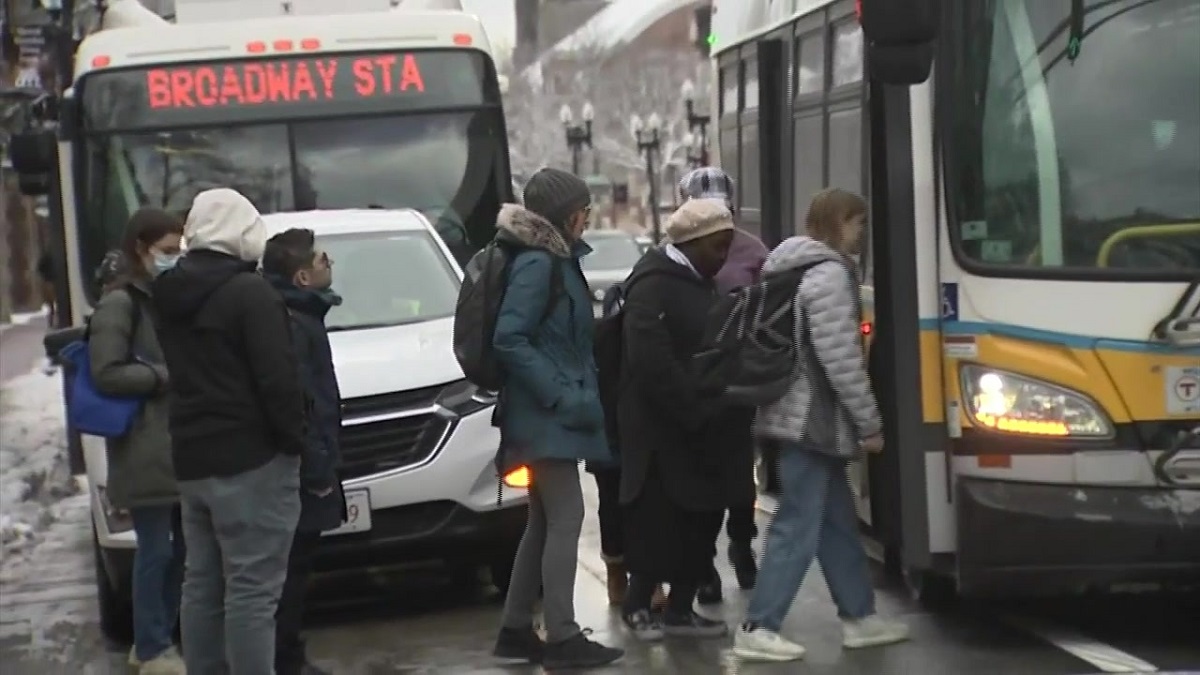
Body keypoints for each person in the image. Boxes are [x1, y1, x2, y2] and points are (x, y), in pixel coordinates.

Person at [734, 188, 909, 663]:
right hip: (812, 419)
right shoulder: (829, 275)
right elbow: (841, 360)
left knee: (835, 524)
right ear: (837, 224)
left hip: (797, 415)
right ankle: (759, 625)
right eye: (857, 222)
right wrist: (869, 421)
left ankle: (860, 617)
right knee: (797, 525)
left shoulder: (790, 265)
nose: (862, 232)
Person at [153, 188, 308, 674]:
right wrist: (295, 443)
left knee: (202, 585)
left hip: (193, 458)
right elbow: (277, 380)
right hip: (252, 459)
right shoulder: (250, 293)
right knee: (252, 591)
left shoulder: (168, 292)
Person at [490, 167, 624, 670]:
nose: (589, 217)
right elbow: (509, 338)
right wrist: (561, 395)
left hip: (546, 413)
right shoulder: (539, 265)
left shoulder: (554, 260)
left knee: (544, 522)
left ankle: (516, 630)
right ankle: (563, 636)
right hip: (545, 415)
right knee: (566, 517)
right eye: (585, 209)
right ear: (570, 215)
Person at [617, 198, 745, 641]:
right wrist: (692, 409)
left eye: (729, 246)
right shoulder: (651, 285)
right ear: (689, 244)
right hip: (660, 430)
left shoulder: (699, 281)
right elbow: (651, 362)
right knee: (659, 525)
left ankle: (681, 610)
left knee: (702, 519)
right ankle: (637, 606)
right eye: (717, 247)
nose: (723, 257)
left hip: (702, 424)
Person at [88, 208, 186, 674]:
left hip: (170, 440)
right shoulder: (120, 302)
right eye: (167, 251)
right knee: (157, 548)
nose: (174, 259)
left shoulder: (156, 296)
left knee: (180, 548)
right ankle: (151, 646)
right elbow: (105, 372)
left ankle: (157, 638)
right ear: (140, 249)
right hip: (145, 443)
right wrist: (163, 376)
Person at [677, 166, 766, 602]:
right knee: (699, 476)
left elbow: (768, 309)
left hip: (737, 378)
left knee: (738, 474)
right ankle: (702, 565)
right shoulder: (673, 253)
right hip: (692, 380)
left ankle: (742, 542)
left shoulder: (752, 251)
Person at [263, 228, 347, 675]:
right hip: (301, 470)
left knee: (296, 566)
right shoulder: (294, 323)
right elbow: (301, 399)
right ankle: (284, 659)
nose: (328, 261)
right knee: (290, 568)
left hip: (309, 462)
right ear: (300, 277)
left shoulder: (303, 315)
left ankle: (287, 652)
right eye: (320, 258)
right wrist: (317, 467)